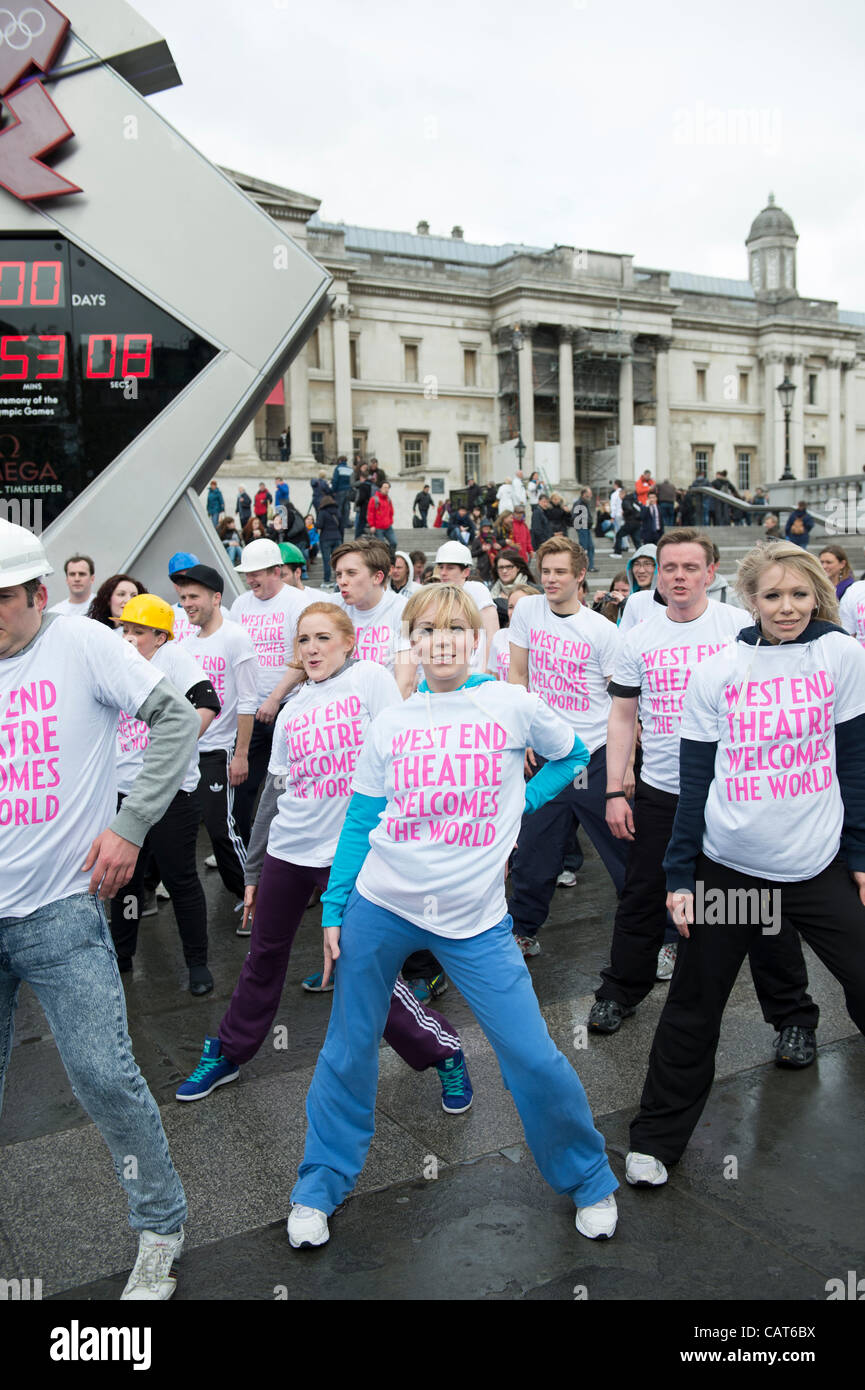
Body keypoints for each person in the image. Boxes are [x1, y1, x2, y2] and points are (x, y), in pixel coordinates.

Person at [286, 583, 620, 1250]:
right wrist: (333, 906)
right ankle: (319, 1183)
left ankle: (588, 1178)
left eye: (454, 628)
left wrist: (523, 802)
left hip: (473, 919)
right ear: (410, 640)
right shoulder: (392, 722)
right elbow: (360, 821)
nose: (441, 639)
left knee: (531, 1054)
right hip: (381, 906)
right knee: (347, 1051)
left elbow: (574, 756)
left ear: (476, 639)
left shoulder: (512, 703)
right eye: (427, 628)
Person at [0, 519, 199, 1301]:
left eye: (1, 600)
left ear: (38, 595)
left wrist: (128, 823)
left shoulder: (81, 645)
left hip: (59, 910)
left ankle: (160, 1225)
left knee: (103, 1076)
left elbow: (178, 718)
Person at [627, 542, 865, 1188]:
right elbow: (693, 783)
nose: (785, 607)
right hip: (730, 869)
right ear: (749, 600)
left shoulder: (842, 657)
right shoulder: (719, 670)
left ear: (816, 595)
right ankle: (654, 1140)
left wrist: (860, 854)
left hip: (815, 867)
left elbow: (853, 763)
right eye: (771, 596)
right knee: (694, 1003)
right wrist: (679, 876)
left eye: (796, 595)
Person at [175, 602, 472, 1110]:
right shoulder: (291, 711)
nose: (311, 649)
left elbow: (402, 755)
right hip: (290, 850)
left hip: (351, 853)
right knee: (263, 955)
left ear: (348, 642)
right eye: (303, 641)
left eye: (322, 639)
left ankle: (442, 1051)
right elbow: (274, 795)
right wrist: (254, 869)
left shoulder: (370, 682)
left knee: (362, 964)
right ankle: (227, 1051)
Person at [589, 530, 819, 1062]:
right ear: (656, 573)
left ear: (711, 573)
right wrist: (614, 788)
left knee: (761, 907)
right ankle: (619, 990)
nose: (679, 577)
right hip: (664, 790)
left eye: (691, 567)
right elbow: (622, 715)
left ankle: (793, 1018)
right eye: (670, 567)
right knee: (643, 895)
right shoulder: (637, 636)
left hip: (738, 793)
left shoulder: (739, 628)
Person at [507, 537, 630, 954]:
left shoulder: (603, 631)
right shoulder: (527, 609)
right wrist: (520, 736)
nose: (551, 579)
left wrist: (625, 766)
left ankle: (654, 931)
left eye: (561, 572)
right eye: (545, 571)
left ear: (580, 575)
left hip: (593, 753)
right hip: (546, 754)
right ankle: (523, 929)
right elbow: (518, 675)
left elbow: (623, 706)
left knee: (623, 847)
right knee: (533, 849)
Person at [111, 594, 221, 994]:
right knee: (125, 880)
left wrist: (176, 746)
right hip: (123, 789)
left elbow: (208, 701)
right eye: (125, 629)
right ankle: (122, 957)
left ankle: (197, 963)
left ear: (160, 637)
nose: (128, 637)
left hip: (172, 792)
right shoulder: (117, 658)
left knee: (180, 878)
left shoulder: (172, 658)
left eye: (137, 632)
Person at [176, 566, 258, 922]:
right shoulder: (186, 643)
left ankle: (252, 899)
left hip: (220, 750)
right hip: (188, 751)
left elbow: (248, 700)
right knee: (200, 830)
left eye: (193, 597)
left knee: (223, 829)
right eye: (182, 598)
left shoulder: (236, 637)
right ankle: (237, 894)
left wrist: (240, 754)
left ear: (216, 598)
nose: (187, 604)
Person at [228, 538, 309, 843]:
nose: (250, 580)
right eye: (247, 574)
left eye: (256, 573)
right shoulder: (240, 604)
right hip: (250, 709)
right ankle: (242, 844)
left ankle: (282, 845)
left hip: (287, 705)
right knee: (244, 781)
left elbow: (305, 657)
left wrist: (276, 697)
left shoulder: (297, 603)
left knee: (284, 783)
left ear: (277, 570)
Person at [434, 540, 499, 672]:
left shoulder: (477, 589)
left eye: (450, 568)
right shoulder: (438, 594)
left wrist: (487, 671)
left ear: (466, 572)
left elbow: (492, 633)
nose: (443, 572)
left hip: (475, 673)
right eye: (441, 567)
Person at [486, 584, 540, 680]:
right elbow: (494, 674)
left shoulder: (542, 639)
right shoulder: (500, 636)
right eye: (511, 607)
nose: (515, 612)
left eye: (521, 606)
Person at [166, 552, 200, 645]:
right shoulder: (166, 614)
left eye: (189, 576)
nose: (185, 582)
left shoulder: (218, 610)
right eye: (178, 578)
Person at [315, 490, 344, 584]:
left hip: (326, 538)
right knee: (337, 561)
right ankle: (338, 579)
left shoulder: (322, 512)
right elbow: (341, 526)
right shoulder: (337, 511)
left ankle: (327, 580)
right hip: (337, 537)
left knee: (327, 560)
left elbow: (319, 525)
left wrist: (314, 525)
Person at [367, 480, 397, 551]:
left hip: (388, 526)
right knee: (381, 546)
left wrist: (390, 521)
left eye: (388, 488)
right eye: (385, 487)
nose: (387, 490)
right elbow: (370, 513)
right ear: (380, 488)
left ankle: (391, 557)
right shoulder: (374, 499)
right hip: (378, 527)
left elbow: (391, 512)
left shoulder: (388, 500)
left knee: (394, 542)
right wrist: (372, 525)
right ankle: (383, 559)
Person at [572, 489, 597, 573]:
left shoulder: (585, 503)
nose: (590, 495)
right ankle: (580, 566)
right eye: (589, 493)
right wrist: (579, 527)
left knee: (590, 547)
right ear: (584, 494)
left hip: (586, 527)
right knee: (583, 548)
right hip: (582, 527)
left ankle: (590, 566)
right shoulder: (579, 503)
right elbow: (575, 516)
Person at [613, 489, 642, 557]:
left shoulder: (625, 500)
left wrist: (624, 513)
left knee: (619, 535)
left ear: (623, 494)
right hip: (637, 522)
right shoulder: (634, 499)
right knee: (636, 540)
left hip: (630, 522)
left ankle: (617, 552)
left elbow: (629, 509)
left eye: (620, 495)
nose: (619, 497)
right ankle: (641, 554)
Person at [330, 455, 354, 530]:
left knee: (339, 507)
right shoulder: (350, 469)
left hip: (340, 490)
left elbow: (335, 480)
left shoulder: (338, 468)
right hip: (348, 490)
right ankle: (346, 522)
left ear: (339, 461)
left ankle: (338, 522)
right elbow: (352, 481)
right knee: (346, 507)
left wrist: (333, 491)